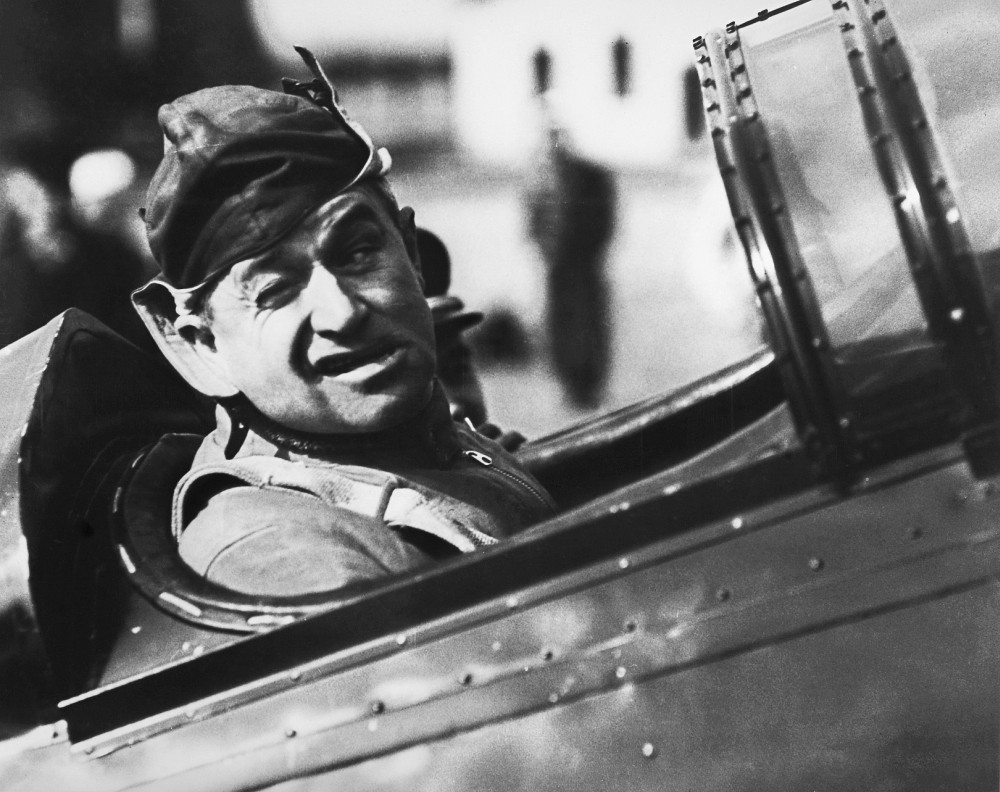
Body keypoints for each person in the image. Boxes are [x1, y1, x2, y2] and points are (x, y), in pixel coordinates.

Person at [131, 65, 555, 597]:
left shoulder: (433, 441)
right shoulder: (274, 549)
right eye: (274, 291)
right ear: (205, 346)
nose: (342, 313)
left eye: (357, 253)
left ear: (411, 253)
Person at [526, 106, 617, 408]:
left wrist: (591, 250)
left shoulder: (592, 175)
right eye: (548, 137)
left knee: (590, 326)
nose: (554, 143)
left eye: (558, 136)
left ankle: (590, 386)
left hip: (586, 267)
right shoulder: (539, 178)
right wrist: (546, 251)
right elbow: (533, 221)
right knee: (559, 328)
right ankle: (568, 385)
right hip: (557, 269)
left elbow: (606, 219)